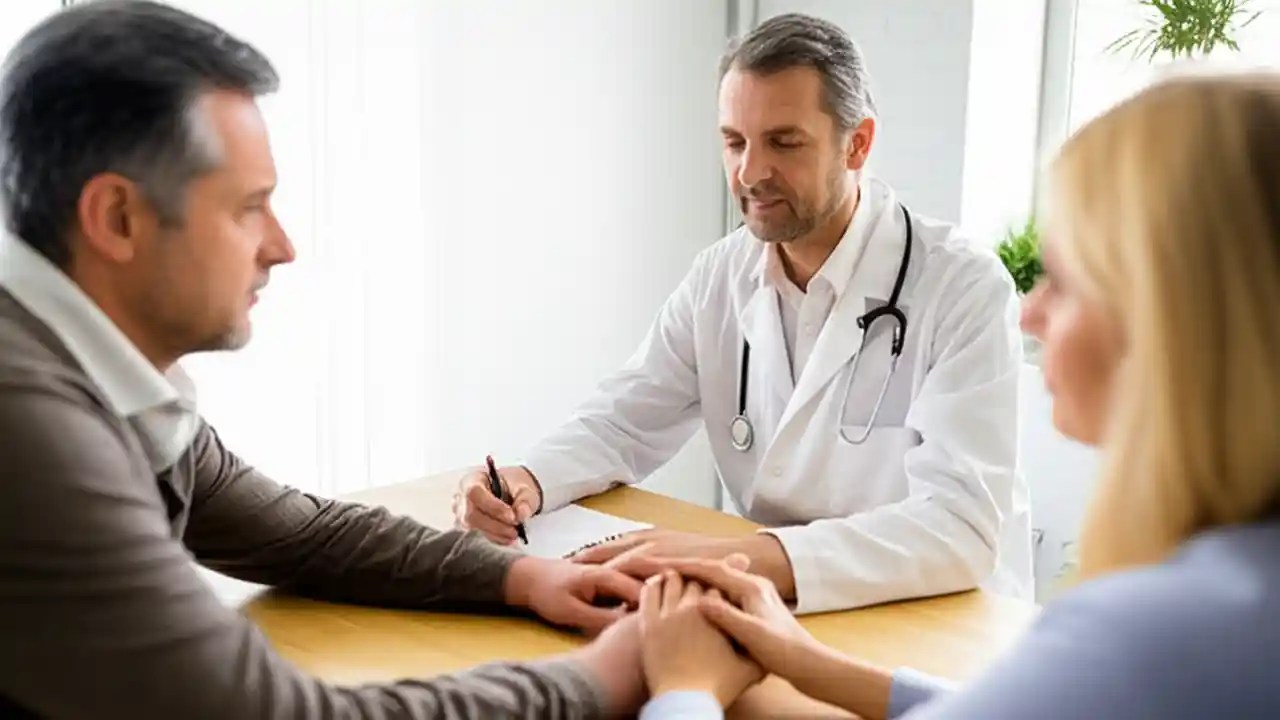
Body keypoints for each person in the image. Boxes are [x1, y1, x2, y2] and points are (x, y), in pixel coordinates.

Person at [0, 3, 646, 718]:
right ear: (117, 218)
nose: (282, 247)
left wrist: (524, 577)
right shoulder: (27, 427)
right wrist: (611, 675)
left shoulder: (96, 375)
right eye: (249, 207)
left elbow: (299, 536)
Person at [633, 72, 1280, 718]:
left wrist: (684, 684)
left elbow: (1070, 674)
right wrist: (808, 663)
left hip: (948, 627)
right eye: (735, 141)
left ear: (1186, 317)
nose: (1030, 313)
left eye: (1067, 276)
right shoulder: (1232, 601)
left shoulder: (1156, 636)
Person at [456, 12, 1032, 614]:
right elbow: (623, 423)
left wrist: (725, 557)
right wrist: (528, 480)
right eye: (735, 142)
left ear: (857, 143)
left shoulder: (962, 287)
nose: (750, 173)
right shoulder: (721, 275)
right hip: (777, 605)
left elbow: (961, 526)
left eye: (784, 142)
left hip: (942, 624)